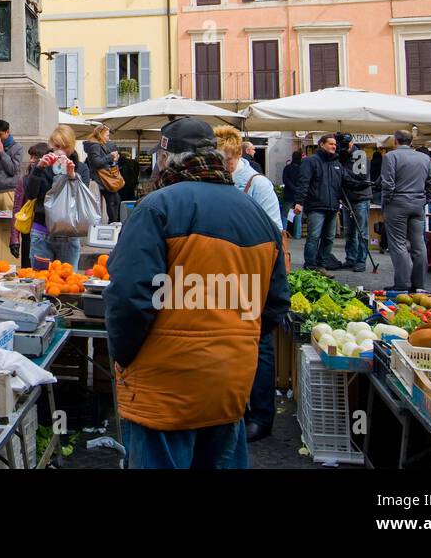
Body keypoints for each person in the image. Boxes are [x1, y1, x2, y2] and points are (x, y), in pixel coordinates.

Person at [103, 116, 289, 469]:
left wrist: (124, 358)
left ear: (166, 158)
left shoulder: (156, 208)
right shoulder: (256, 214)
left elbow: (128, 298)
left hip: (165, 386)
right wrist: (235, 342)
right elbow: (276, 302)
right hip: (229, 383)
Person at [213, 124, 284, 445]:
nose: (222, 166)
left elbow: (273, 234)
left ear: (238, 155)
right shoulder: (215, 183)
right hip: (224, 275)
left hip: (255, 277)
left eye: (226, 160)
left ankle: (262, 417)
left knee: (260, 345)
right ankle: (234, 408)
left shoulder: (258, 185)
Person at [23, 124, 92, 270]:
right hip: (41, 232)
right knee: (41, 281)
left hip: (69, 234)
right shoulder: (43, 165)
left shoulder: (81, 168)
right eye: (55, 146)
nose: (60, 151)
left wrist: (72, 176)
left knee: (67, 284)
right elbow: (30, 194)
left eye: (64, 146)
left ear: (71, 147)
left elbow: (81, 199)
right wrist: (38, 169)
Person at [379, 129, 431, 292]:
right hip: (418, 203)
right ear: (411, 142)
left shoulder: (391, 157)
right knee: (419, 244)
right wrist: (425, 199)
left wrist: (387, 201)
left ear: (395, 141)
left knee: (398, 244)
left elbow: (388, 183)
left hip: (397, 203)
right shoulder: (424, 158)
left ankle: (402, 283)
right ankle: (419, 284)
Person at [288, 134, 344, 271]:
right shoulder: (311, 161)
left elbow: (345, 180)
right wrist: (299, 202)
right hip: (316, 206)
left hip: (332, 206)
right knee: (314, 237)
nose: (334, 146)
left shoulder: (336, 163)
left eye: (335, 144)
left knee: (329, 238)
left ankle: (322, 265)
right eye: (331, 144)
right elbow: (303, 182)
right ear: (321, 144)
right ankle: (310, 266)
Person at [336, 133, 372, 273]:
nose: (344, 148)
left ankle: (361, 261)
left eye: (346, 145)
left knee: (361, 232)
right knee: (349, 231)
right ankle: (350, 258)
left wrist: (342, 171)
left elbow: (361, 177)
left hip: (360, 198)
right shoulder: (341, 155)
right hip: (347, 198)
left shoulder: (359, 155)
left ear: (351, 142)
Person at [10, 143, 47, 265]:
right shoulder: (25, 180)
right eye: (31, 157)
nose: (31, 160)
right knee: (28, 272)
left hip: (48, 230)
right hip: (29, 230)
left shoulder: (52, 178)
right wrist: (14, 239)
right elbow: (17, 209)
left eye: (35, 157)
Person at [84, 124, 124, 223]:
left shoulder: (99, 145)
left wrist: (113, 159)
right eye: (107, 135)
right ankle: (113, 223)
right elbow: (96, 162)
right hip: (102, 179)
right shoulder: (95, 146)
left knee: (115, 200)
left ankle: (114, 222)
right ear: (100, 134)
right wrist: (110, 156)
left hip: (104, 178)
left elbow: (102, 161)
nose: (108, 138)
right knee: (112, 201)